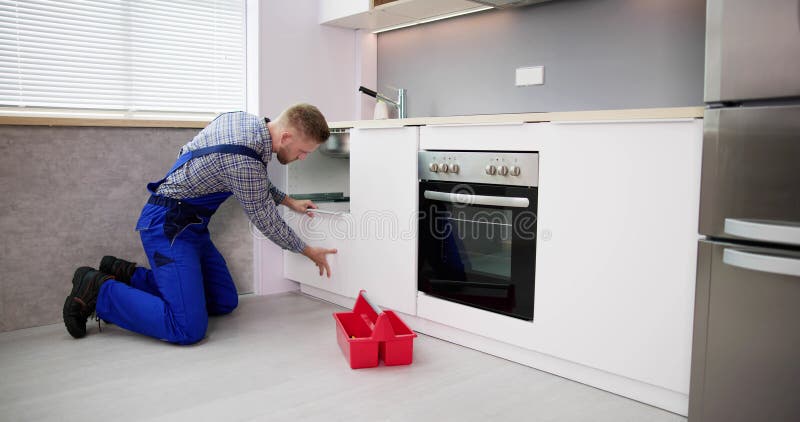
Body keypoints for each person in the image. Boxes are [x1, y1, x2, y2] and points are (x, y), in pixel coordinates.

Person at [62, 104, 338, 345]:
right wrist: (307, 250)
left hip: (191, 226)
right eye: (303, 151)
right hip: (166, 227)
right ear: (287, 136)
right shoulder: (244, 160)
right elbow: (265, 218)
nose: (303, 158)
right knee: (186, 328)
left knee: (224, 301)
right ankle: (99, 290)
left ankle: (125, 274)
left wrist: (290, 201)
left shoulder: (241, 120)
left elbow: (245, 176)